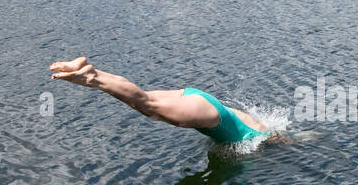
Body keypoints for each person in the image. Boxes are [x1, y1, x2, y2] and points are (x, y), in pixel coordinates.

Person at [49, 57, 269, 145]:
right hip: (211, 115)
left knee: (145, 97)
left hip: (198, 97)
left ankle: (91, 69)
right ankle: (91, 77)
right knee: (147, 106)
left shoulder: (257, 125)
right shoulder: (260, 140)